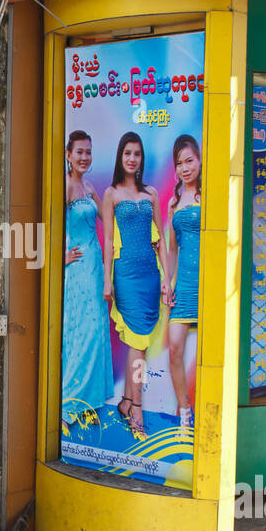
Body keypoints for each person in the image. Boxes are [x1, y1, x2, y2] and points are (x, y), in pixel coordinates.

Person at [102, 133, 170, 441]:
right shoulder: (111, 194)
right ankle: (137, 407)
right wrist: (107, 280)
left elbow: (161, 241)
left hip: (150, 277)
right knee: (139, 343)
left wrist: (167, 278)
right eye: (127, 153)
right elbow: (107, 244)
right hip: (125, 277)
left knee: (137, 344)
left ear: (141, 159)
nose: (132, 158)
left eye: (137, 154)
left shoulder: (152, 193)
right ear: (120, 157)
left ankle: (127, 400)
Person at [61, 131, 113, 424]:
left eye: (88, 152)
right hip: (78, 271)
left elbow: (109, 221)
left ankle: (89, 402)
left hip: (96, 268)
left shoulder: (90, 187)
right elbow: (49, 223)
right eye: (79, 152)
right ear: (68, 155)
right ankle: (70, 402)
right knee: (81, 333)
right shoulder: (66, 186)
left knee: (96, 331)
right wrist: (60, 256)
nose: (84, 157)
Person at [166, 134, 201, 437]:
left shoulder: (210, 195)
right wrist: (168, 283)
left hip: (209, 284)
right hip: (184, 286)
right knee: (175, 348)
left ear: (200, 160)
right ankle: (183, 411)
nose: (185, 168)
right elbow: (172, 249)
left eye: (190, 160)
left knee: (206, 355)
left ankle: (209, 409)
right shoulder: (174, 203)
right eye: (180, 163)